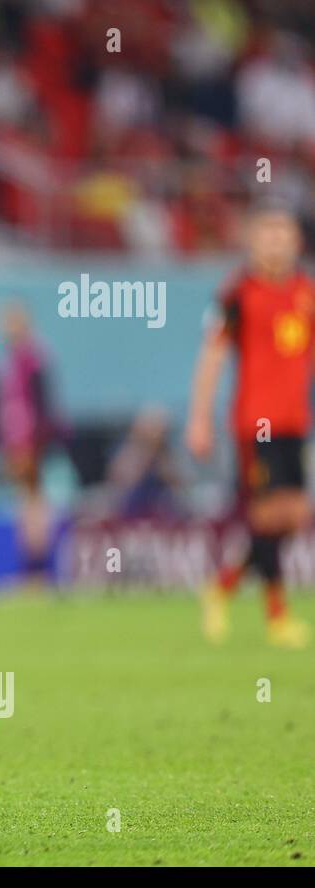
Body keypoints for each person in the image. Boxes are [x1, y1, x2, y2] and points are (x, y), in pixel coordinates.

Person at [187, 207, 313, 649]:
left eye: (284, 232)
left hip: (296, 421)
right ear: (252, 241)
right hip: (254, 424)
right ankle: (277, 617)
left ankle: (221, 587)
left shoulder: (306, 292)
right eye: (268, 232)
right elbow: (213, 356)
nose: (277, 240)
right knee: (265, 514)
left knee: (293, 516)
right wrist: (199, 417)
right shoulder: (237, 294)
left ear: (297, 241)